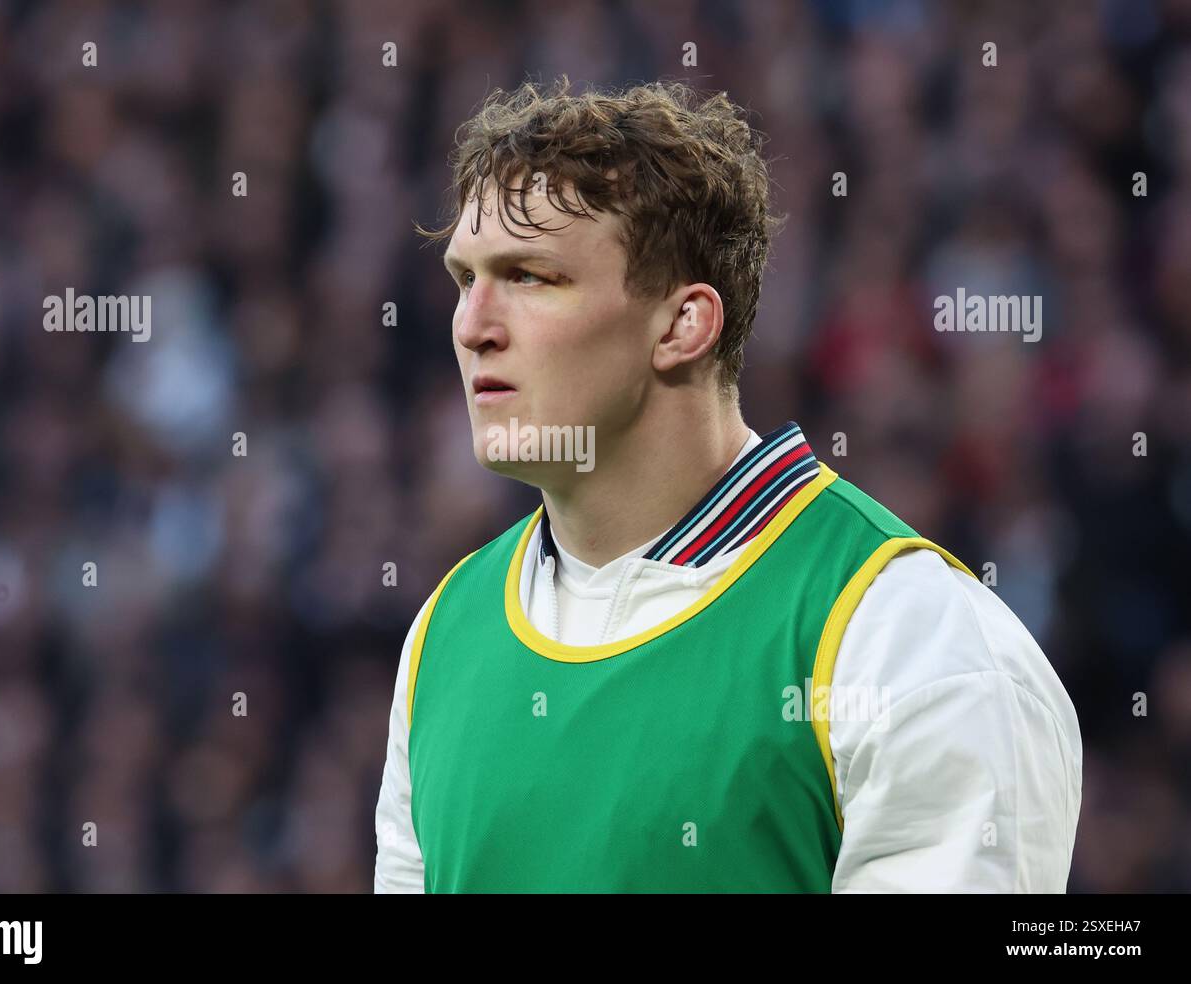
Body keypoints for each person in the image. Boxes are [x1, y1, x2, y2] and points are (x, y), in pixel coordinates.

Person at [375, 76, 1082, 892]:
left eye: (530, 276)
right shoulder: (442, 635)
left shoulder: (911, 640)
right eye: (465, 280)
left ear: (684, 324)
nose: (472, 326)